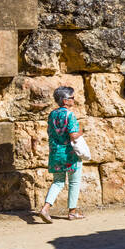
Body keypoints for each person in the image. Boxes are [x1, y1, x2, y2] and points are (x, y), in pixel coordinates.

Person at [38, 85, 85, 222]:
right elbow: (73, 135)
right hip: (70, 154)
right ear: (65, 100)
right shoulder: (70, 115)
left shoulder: (52, 114)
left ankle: (45, 208)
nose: (74, 100)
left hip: (55, 153)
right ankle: (72, 212)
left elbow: (50, 132)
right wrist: (83, 131)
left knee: (58, 181)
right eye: (72, 98)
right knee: (74, 181)